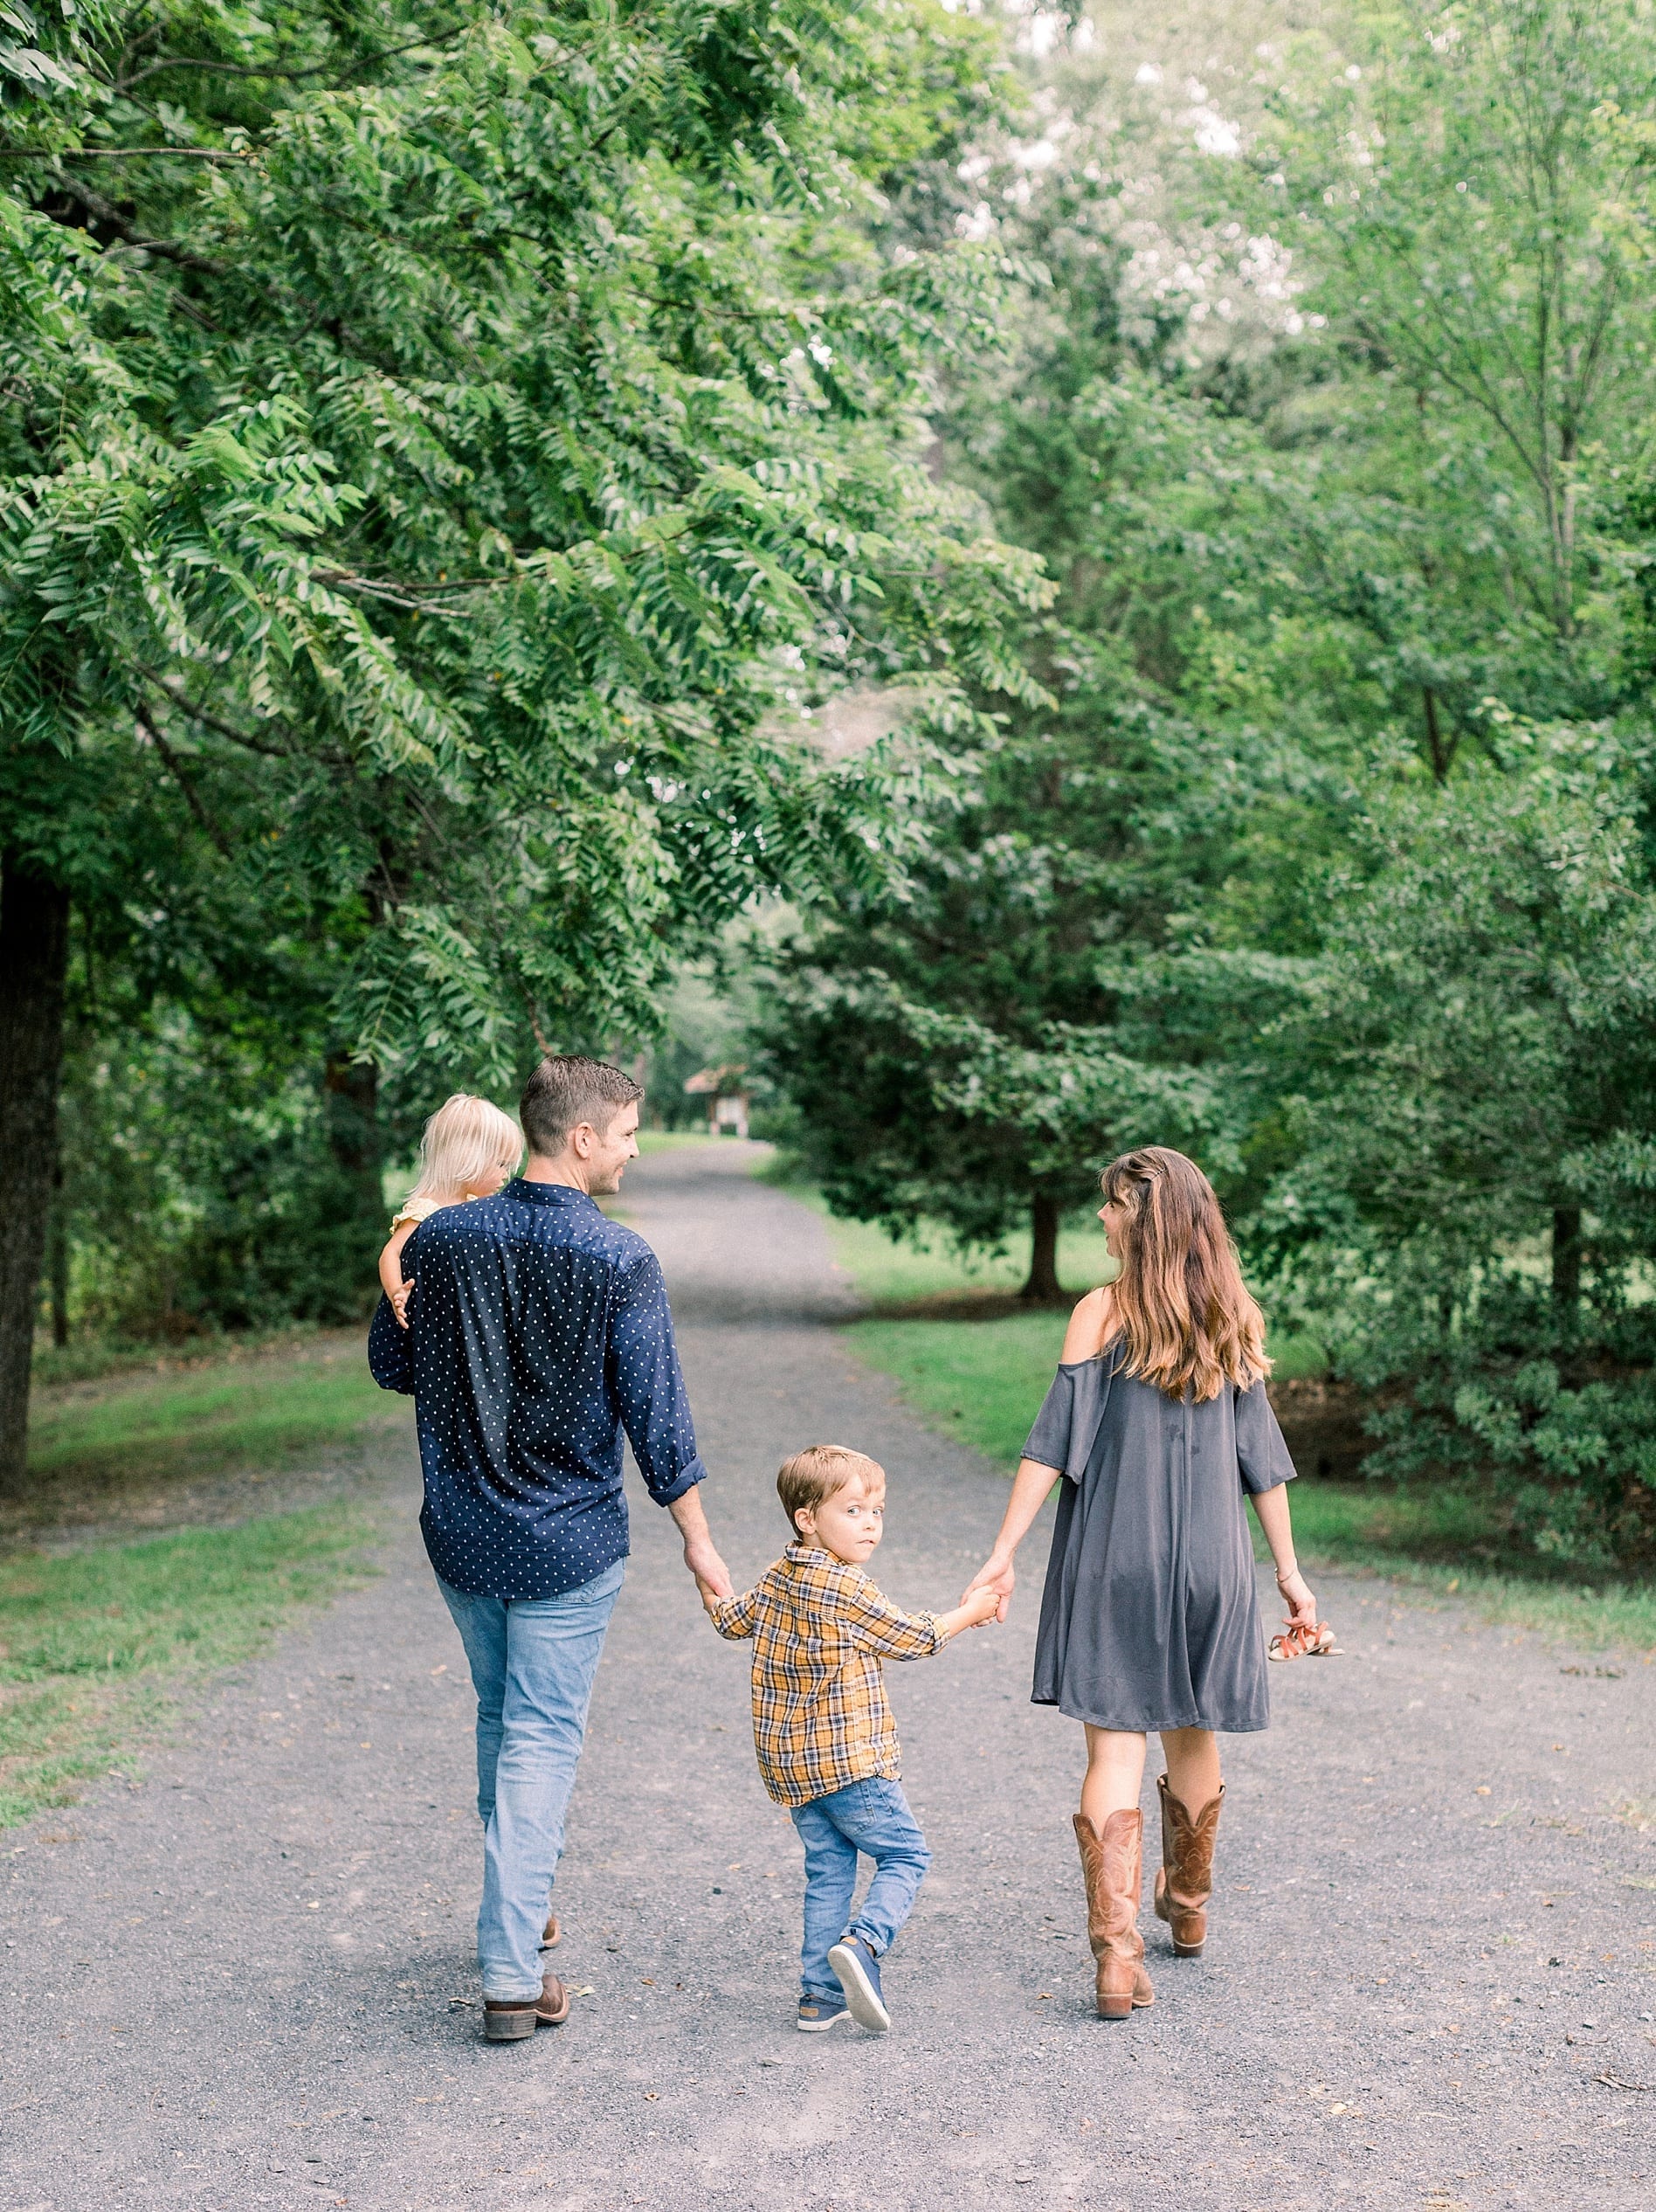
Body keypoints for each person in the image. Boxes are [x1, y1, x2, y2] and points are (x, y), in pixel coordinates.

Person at [369, 1054, 731, 2042]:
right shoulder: (619, 1259)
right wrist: (700, 1543)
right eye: (627, 1133)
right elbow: (658, 1417)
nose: (633, 1149)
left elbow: (392, 1364)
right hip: (568, 1544)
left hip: (464, 1534)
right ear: (580, 1137)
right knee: (539, 1735)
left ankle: (521, 1915)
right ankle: (511, 1974)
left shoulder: (442, 1239)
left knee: (503, 1719)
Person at [963, 1146, 1317, 2022]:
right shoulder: (1230, 1315)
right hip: (1214, 1566)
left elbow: (1053, 1443)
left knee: (1116, 1752)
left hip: (1116, 1558)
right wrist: (1290, 1574)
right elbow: (1264, 1464)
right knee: (1195, 1732)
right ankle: (1188, 1908)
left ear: (1147, 1220)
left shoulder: (1101, 1313)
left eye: (1115, 1205)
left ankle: (1118, 1958)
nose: (1102, 1217)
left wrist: (1004, 1549)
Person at [707, 1444, 999, 2036]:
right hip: (850, 1766)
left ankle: (820, 1996)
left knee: (830, 1871)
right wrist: (973, 1611)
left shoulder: (777, 1577)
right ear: (807, 1518)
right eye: (853, 1510)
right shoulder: (846, 1586)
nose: (870, 1524)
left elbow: (731, 1619)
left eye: (877, 1511)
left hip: (791, 1770)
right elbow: (915, 1637)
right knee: (906, 1854)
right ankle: (864, 1943)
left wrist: (707, 1584)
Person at [378, 1093, 523, 1328]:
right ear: (470, 1158)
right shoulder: (426, 1210)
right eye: (500, 1164)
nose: (505, 1175)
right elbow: (390, 1254)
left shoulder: (476, 1206)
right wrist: (397, 1291)